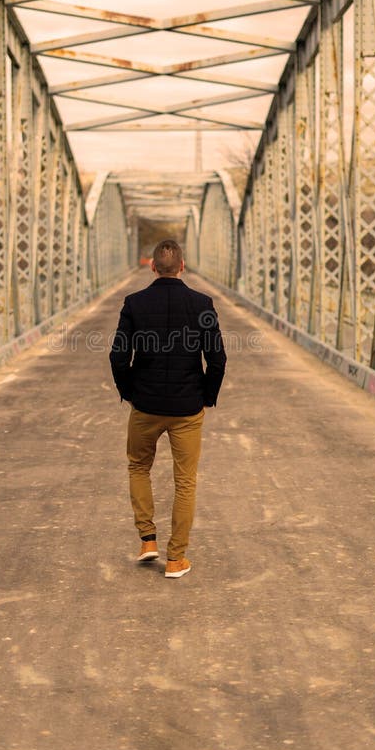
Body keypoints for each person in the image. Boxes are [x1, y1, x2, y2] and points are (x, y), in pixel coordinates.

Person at [109, 239, 226, 578]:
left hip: (145, 406)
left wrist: (129, 392)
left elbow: (118, 356)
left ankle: (148, 541)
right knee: (185, 481)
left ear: (153, 267)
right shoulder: (201, 303)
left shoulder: (134, 303)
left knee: (138, 467)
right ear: (183, 267)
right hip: (187, 409)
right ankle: (175, 560)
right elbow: (217, 359)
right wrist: (206, 396)